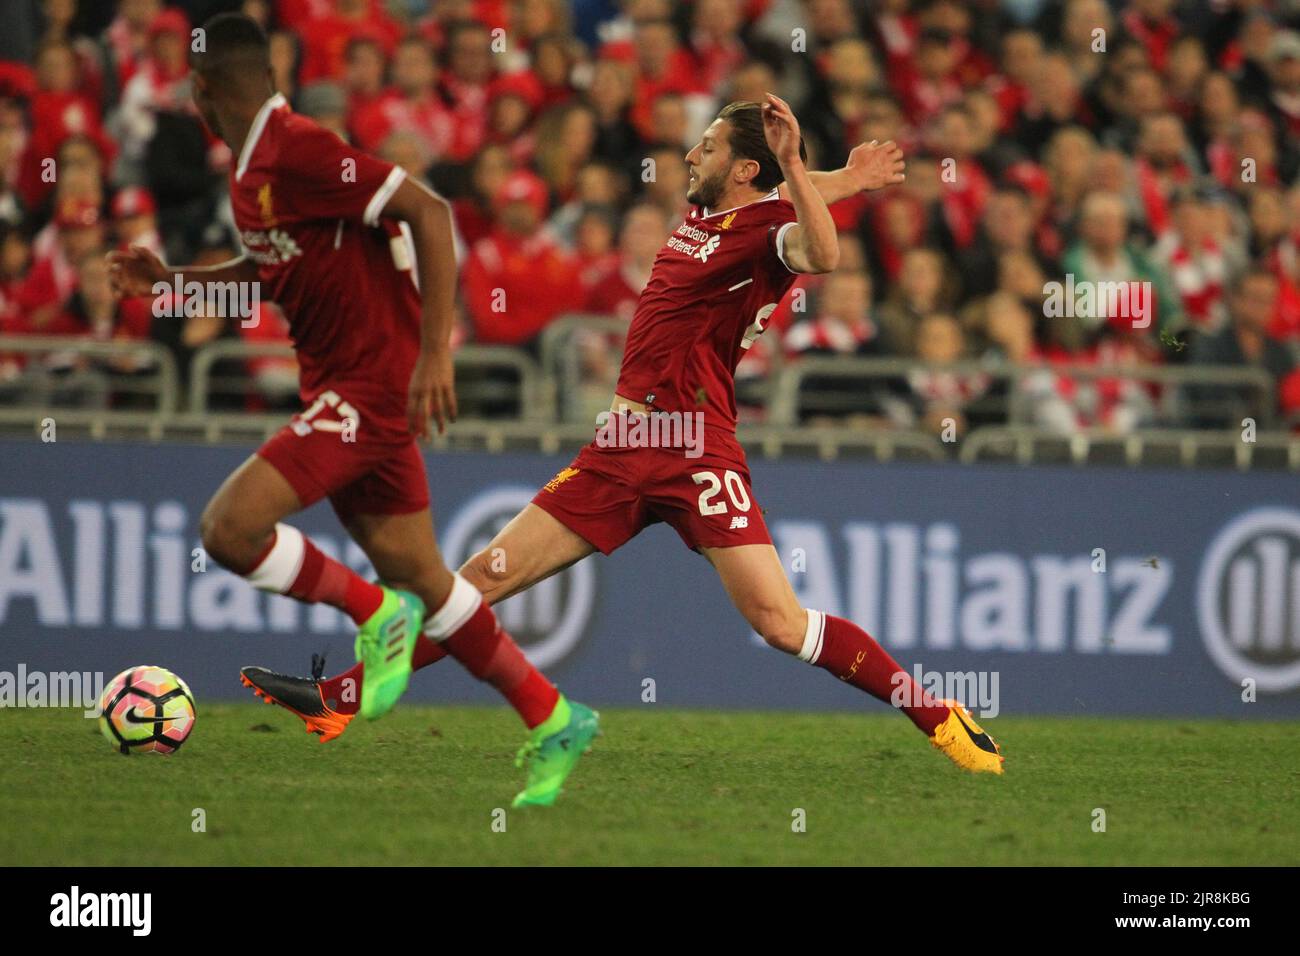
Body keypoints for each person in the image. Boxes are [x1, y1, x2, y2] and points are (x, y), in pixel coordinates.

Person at [250, 97, 1003, 775]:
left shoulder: (771, 231)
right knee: (483, 577)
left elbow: (822, 251)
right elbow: (779, 203)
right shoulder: (717, 221)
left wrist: (807, 166)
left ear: (742, 167)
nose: (688, 155)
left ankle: (938, 716)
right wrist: (848, 174)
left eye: (705, 147)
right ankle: (338, 699)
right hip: (616, 453)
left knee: (780, 623)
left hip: (695, 448)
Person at [106, 13, 595, 809]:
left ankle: (373, 616)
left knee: (228, 531)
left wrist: (436, 351)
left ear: (202, 89)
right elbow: (272, 270)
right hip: (347, 387)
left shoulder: (300, 148)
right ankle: (555, 717)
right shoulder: (251, 168)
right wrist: (174, 283)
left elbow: (430, 213)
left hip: (369, 389)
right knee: (430, 581)